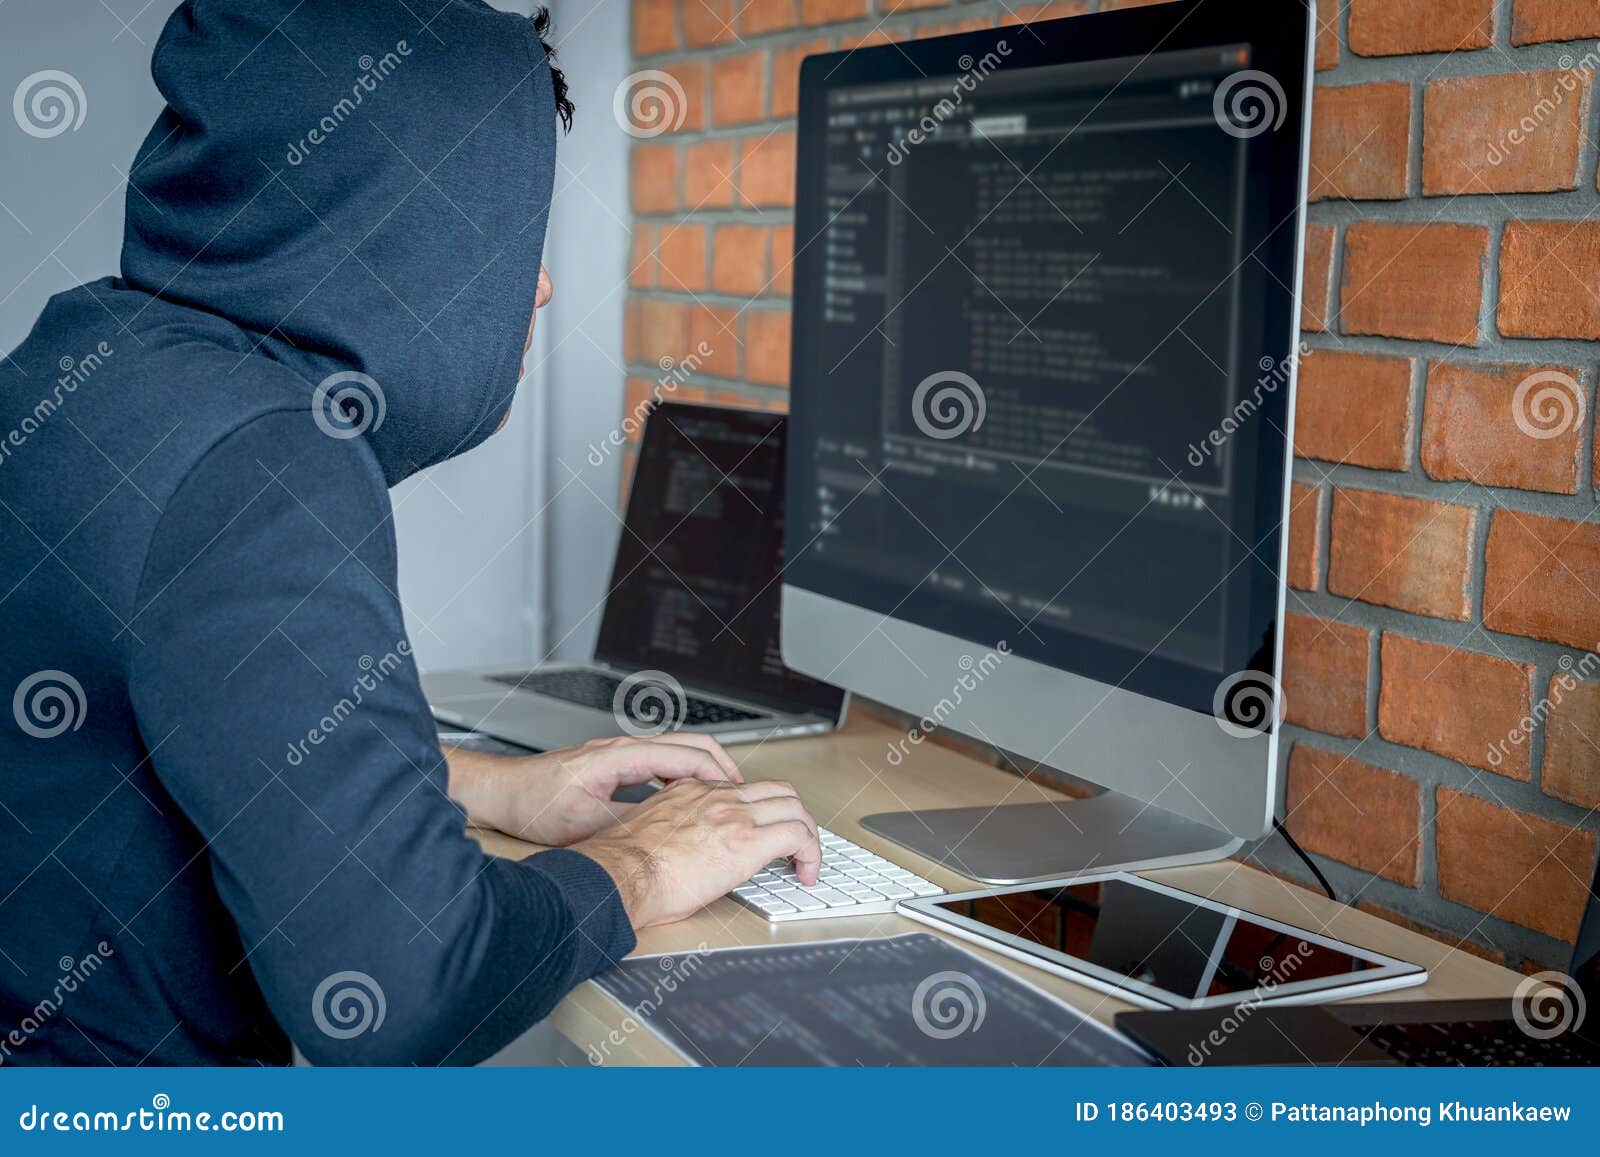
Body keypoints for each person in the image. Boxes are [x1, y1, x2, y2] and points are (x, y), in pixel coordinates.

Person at [0, 0, 819, 1066]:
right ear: (406, 232)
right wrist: (645, 864)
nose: (536, 288)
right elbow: (400, 989)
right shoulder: (260, 466)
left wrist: (486, 783)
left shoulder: (89, 364)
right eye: (507, 233)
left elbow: (163, 736)